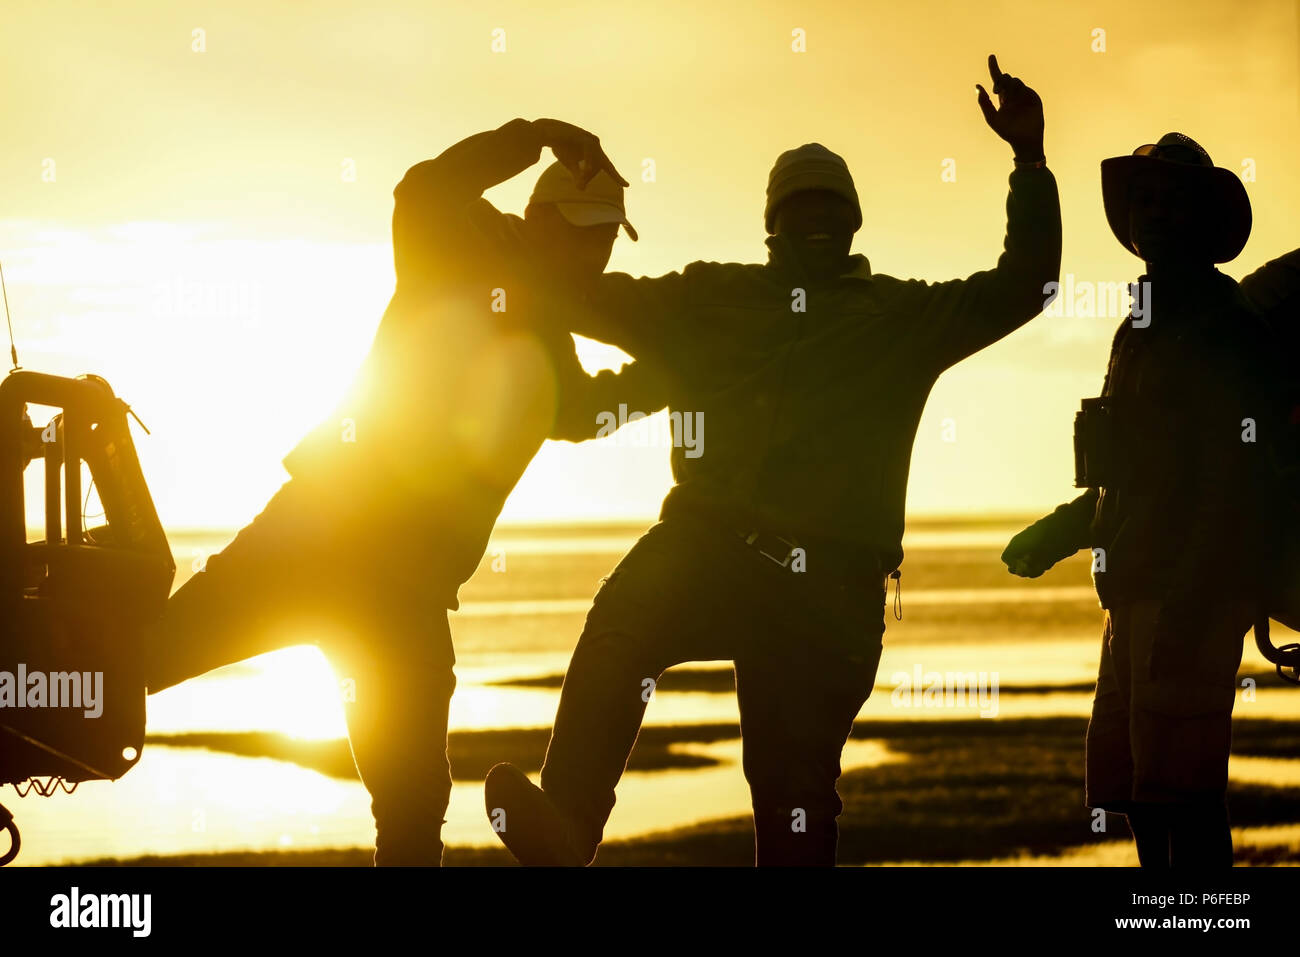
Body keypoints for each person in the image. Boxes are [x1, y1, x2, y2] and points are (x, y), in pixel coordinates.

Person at [483, 55, 1062, 866]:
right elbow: (578, 298)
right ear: (774, 225)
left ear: (854, 223)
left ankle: (576, 819)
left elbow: (1026, 285)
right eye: (802, 210)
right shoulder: (712, 299)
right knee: (621, 632)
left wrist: (1029, 162)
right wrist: (499, 224)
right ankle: (569, 822)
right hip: (711, 552)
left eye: (831, 209)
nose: (818, 223)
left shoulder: (901, 313)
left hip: (826, 589)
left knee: (792, 801)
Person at [140, 118, 662, 865]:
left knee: (414, 807)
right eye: (587, 233)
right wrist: (535, 134)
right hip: (318, 534)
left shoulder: (551, 325)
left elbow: (577, 412)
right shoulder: (463, 240)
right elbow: (422, 189)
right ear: (539, 219)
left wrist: (671, 380)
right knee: (135, 670)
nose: (599, 250)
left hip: (405, 591)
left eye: (608, 237)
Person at [1001, 132, 1269, 867]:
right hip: (1131, 595)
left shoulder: (1226, 329)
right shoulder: (1139, 325)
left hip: (1187, 599)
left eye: (1168, 200)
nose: (1151, 214)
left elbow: (1232, 485)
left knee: (1186, 797)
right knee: (1141, 796)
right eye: (1142, 199)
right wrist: (1063, 529)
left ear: (1201, 220)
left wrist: (1189, 607)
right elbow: (1128, 472)